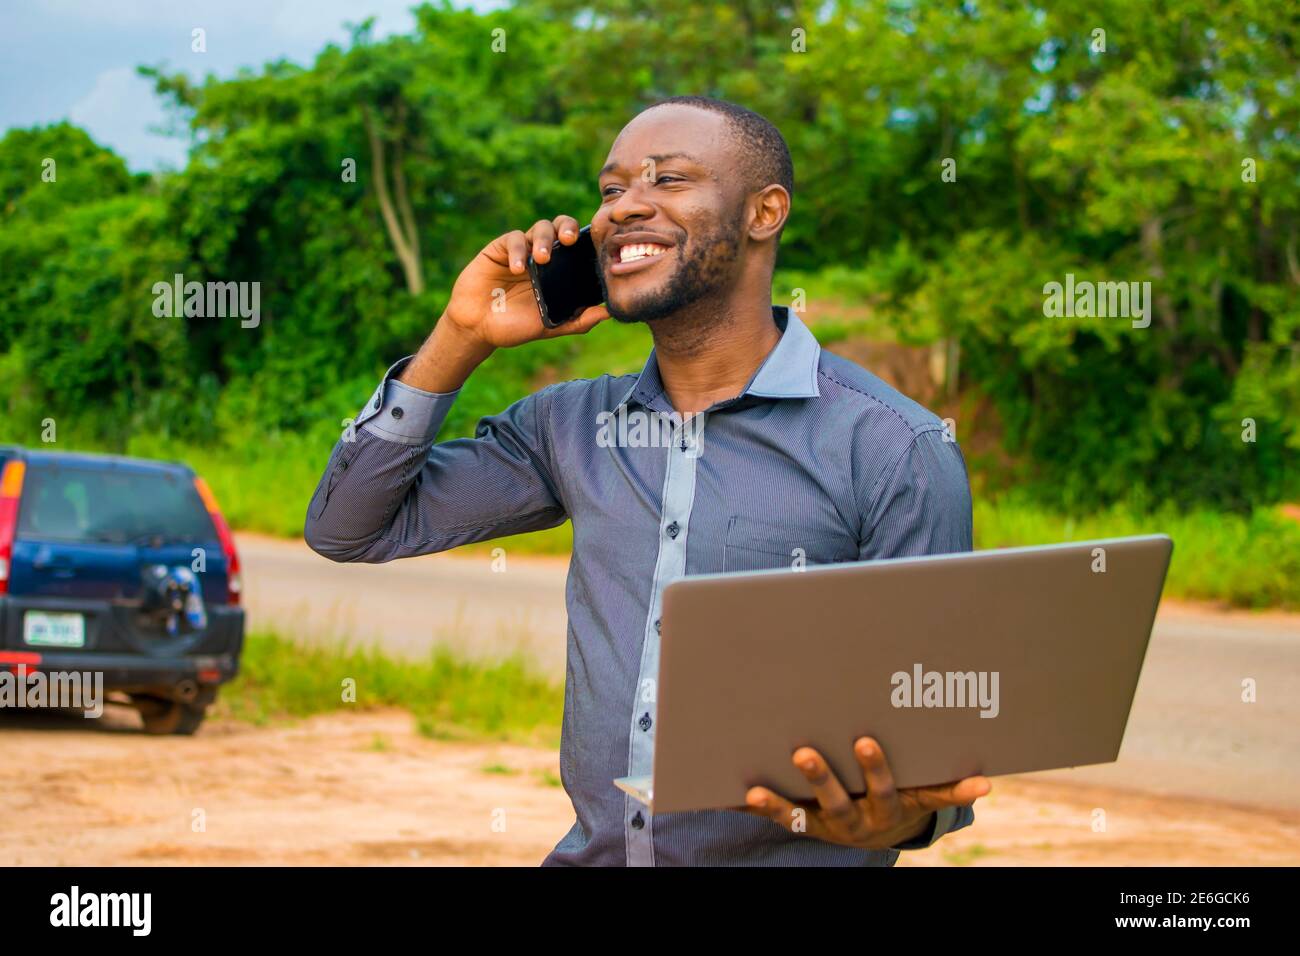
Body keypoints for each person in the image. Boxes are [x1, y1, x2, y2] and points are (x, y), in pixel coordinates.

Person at [305, 96, 990, 866]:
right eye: (610, 190)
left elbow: (935, 734)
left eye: (668, 181)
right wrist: (462, 336)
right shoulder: (568, 427)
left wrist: (894, 822)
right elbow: (348, 527)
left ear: (765, 212)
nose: (626, 208)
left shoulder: (896, 447)